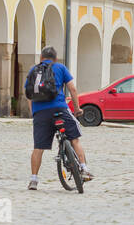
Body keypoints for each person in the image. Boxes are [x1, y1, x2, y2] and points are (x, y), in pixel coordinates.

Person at [27, 46, 91, 190]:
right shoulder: (60, 68)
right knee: (74, 139)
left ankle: (33, 180)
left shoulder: (33, 70)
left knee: (38, 148)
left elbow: (29, 95)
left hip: (40, 113)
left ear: (41, 58)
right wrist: (77, 109)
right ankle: (84, 168)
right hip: (59, 109)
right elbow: (72, 89)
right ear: (55, 58)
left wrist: (34, 113)